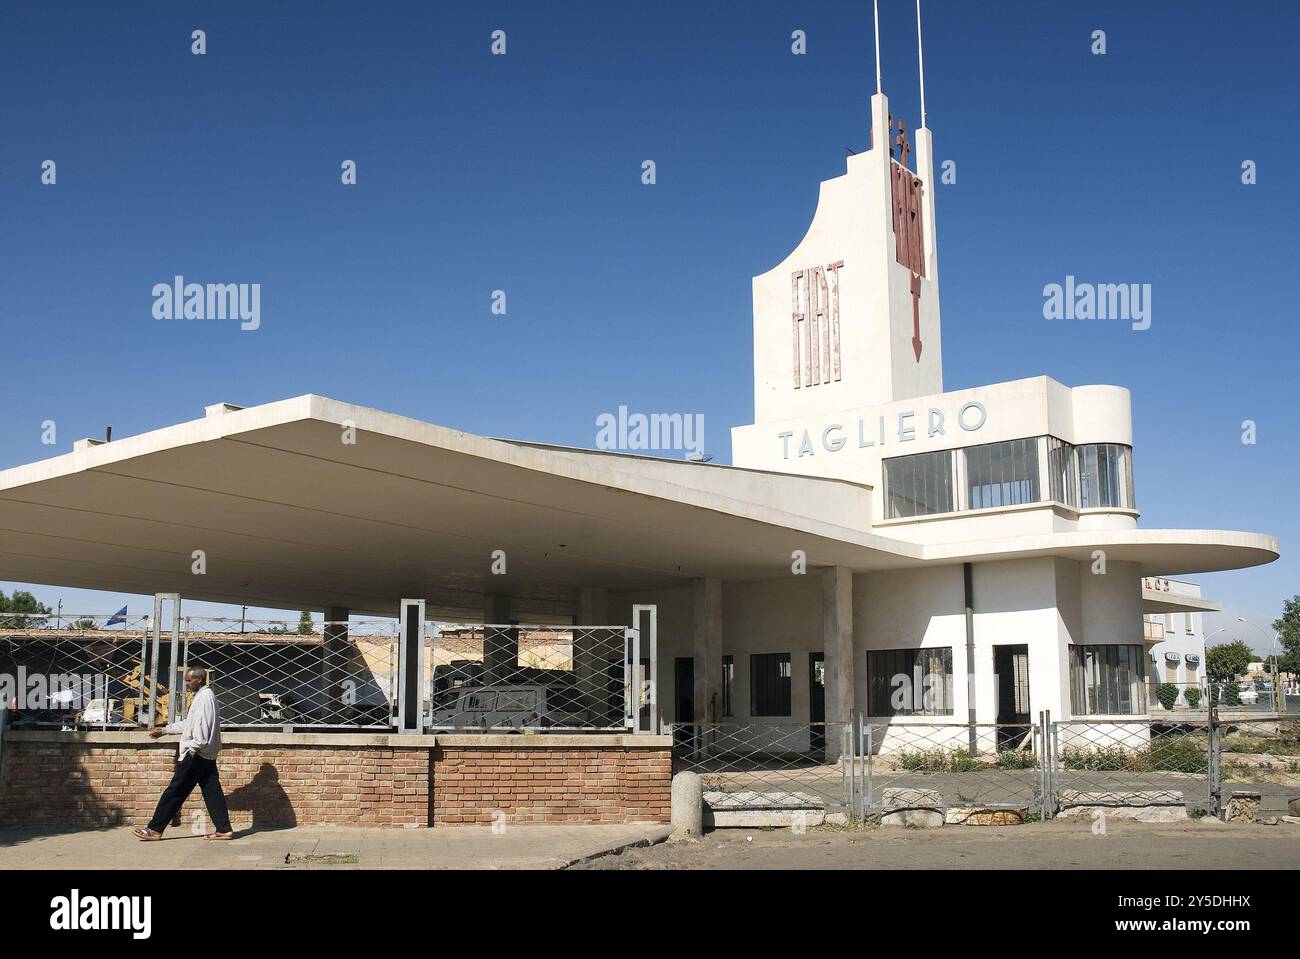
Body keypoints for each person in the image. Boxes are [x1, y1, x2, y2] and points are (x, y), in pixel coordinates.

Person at [133, 667, 234, 841]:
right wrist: (165, 730)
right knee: (212, 791)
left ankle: (154, 829)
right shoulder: (202, 697)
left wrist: (193, 749)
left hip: (197, 753)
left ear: (200, 680)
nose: (186, 684)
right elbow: (190, 723)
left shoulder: (204, 698)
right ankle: (224, 829)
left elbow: (202, 728)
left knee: (175, 790)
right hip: (204, 753)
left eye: (189, 681)